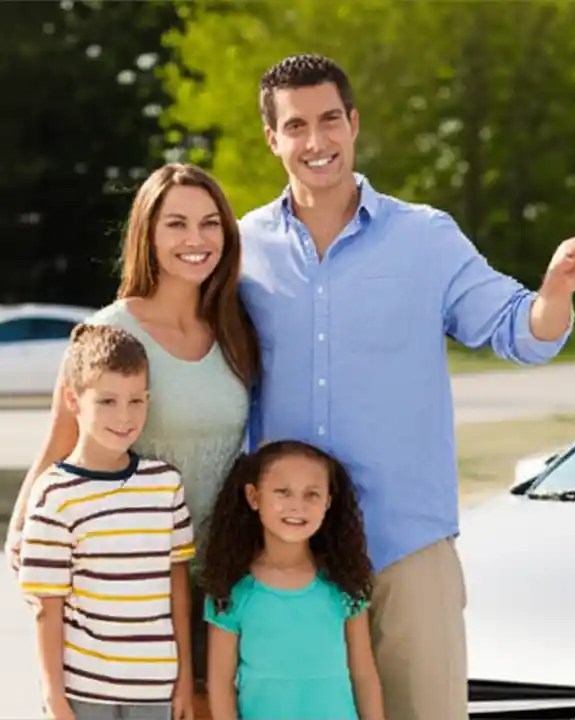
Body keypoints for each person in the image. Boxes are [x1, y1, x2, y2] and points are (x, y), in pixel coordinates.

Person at [236, 53, 575, 719]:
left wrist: (556, 290)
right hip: (290, 560)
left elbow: (523, 330)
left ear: (354, 123)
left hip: (404, 547)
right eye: (296, 127)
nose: (316, 142)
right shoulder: (241, 249)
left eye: (329, 120)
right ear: (273, 138)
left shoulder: (425, 238)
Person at [5, 162, 259, 711]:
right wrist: (24, 528)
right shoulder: (110, 330)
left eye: (210, 223)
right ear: (148, 233)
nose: (196, 240)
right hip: (134, 578)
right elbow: (58, 443)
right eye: (177, 224)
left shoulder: (238, 328)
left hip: (224, 572)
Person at [18, 324, 196, 720]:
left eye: (137, 401)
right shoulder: (52, 494)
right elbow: (47, 607)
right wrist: (55, 698)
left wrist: (183, 679)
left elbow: (177, 587)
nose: (125, 416)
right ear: (73, 400)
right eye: (108, 401)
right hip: (84, 691)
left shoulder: (164, 484)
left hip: (156, 688)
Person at [200, 439, 382, 720]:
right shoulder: (231, 590)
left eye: (312, 494)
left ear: (328, 503)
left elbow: (363, 673)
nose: (297, 506)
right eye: (283, 492)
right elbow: (221, 684)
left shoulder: (345, 584)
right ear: (254, 497)